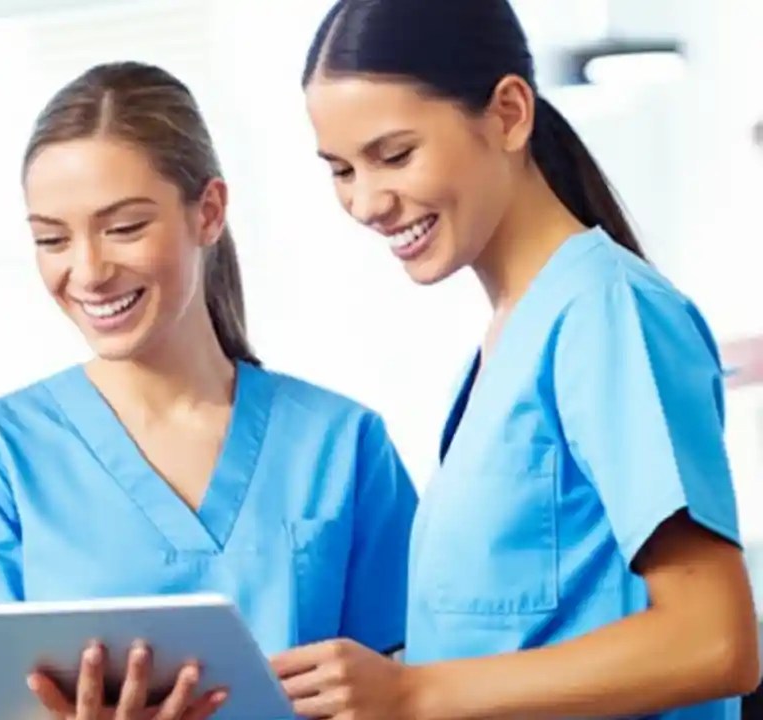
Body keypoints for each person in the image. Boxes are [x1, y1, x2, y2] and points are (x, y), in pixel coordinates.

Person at [0, 60, 419, 720]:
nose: (87, 271)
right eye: (52, 239)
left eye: (124, 227)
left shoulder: (341, 444)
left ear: (209, 211)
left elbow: (407, 686)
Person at [290, 0, 762, 718]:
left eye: (394, 154)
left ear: (509, 113)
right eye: (340, 170)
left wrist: (414, 693)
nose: (365, 201)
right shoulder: (505, 345)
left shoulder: (607, 313)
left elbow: (715, 641)